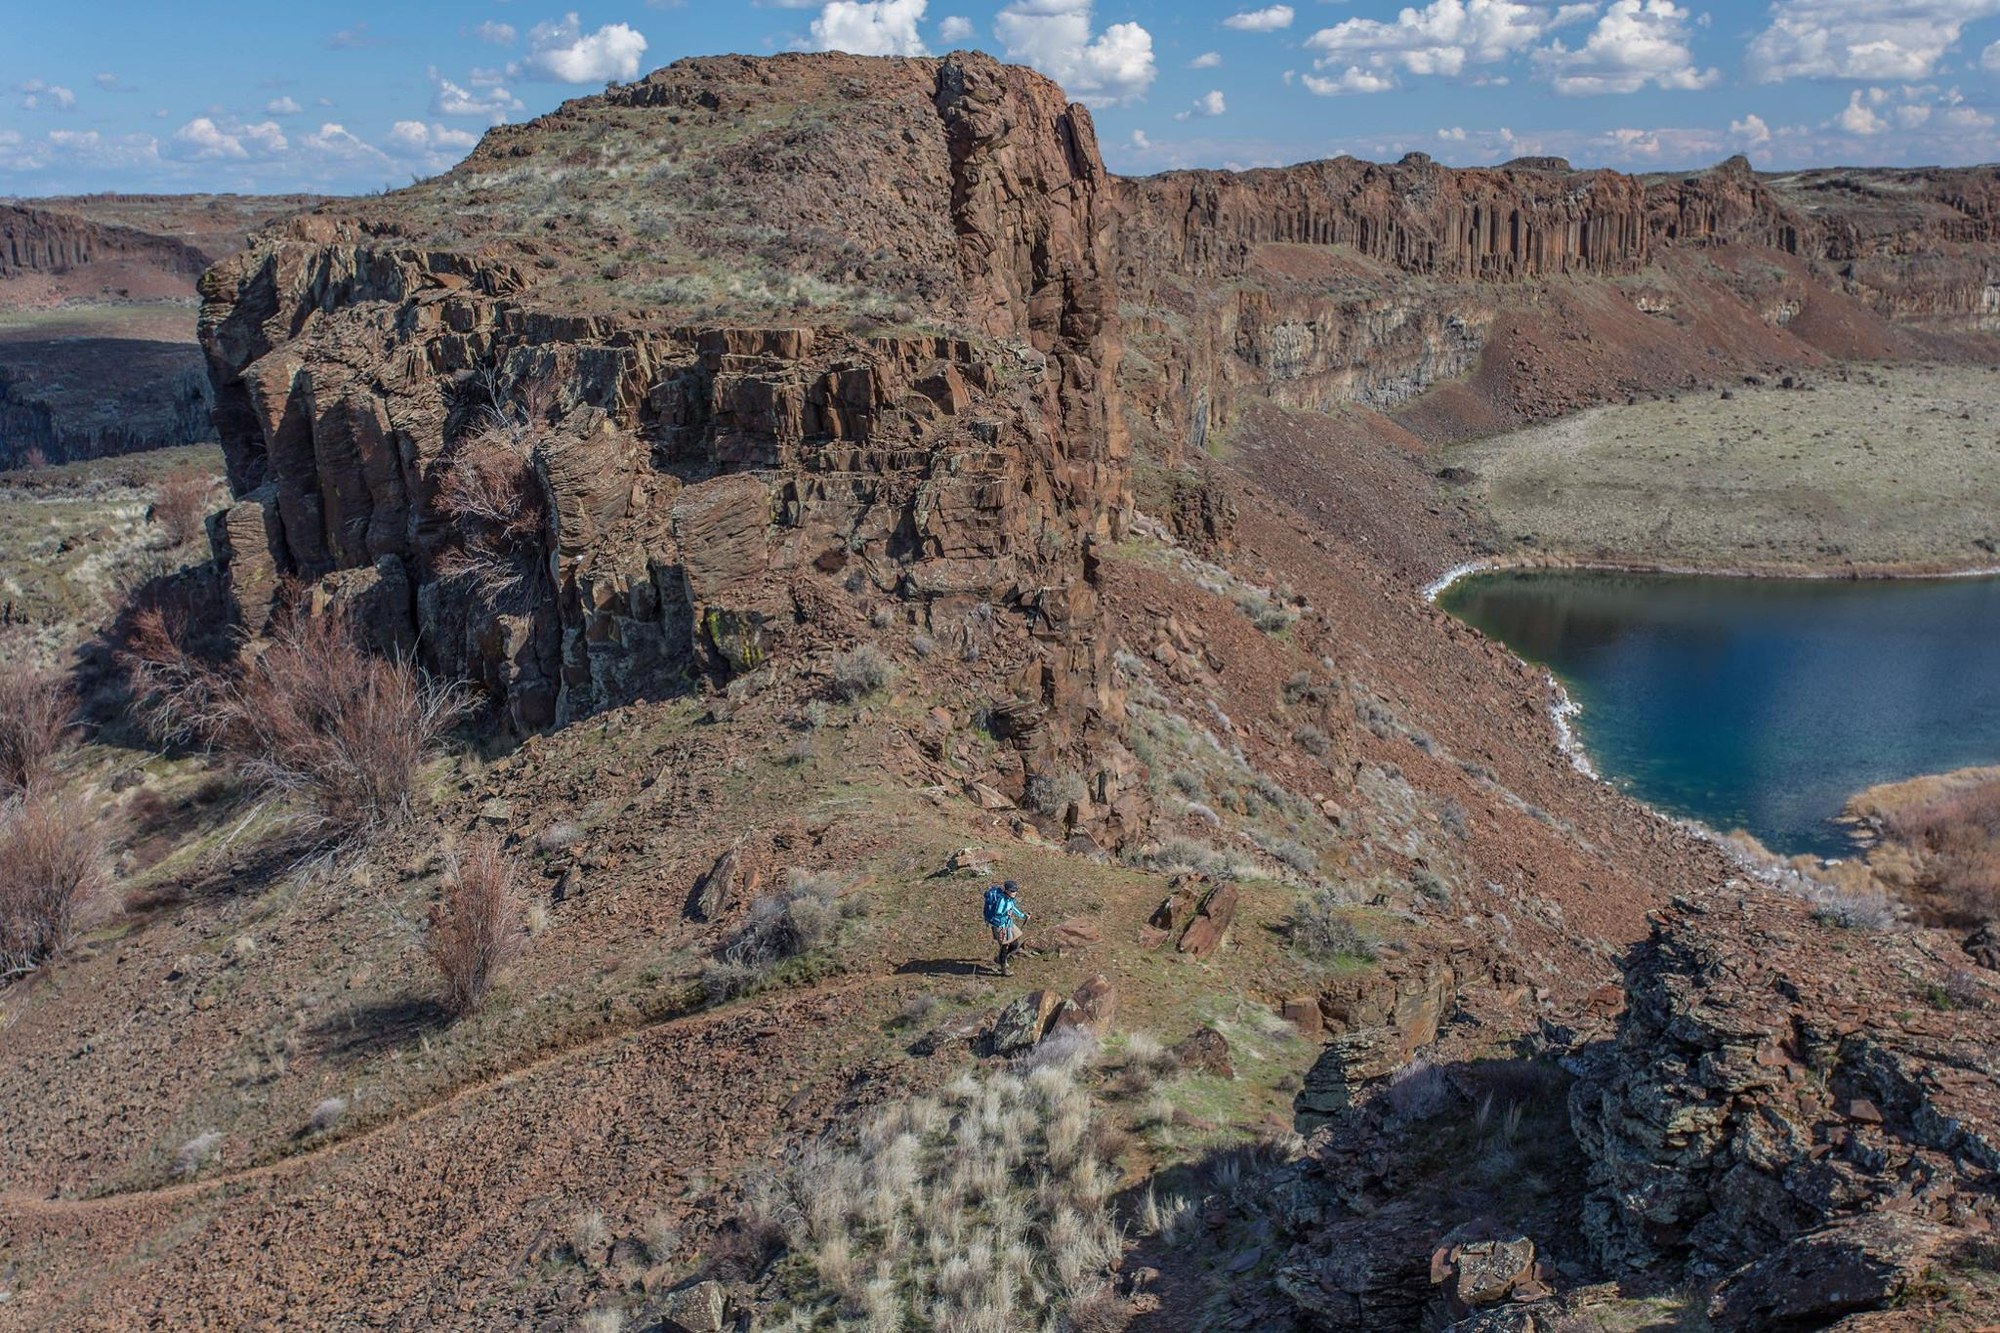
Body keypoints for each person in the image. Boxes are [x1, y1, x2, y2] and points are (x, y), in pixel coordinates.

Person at [983, 880, 1030, 976]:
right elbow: (998, 912)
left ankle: (999, 959)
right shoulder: (1002, 899)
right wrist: (1006, 913)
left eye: (1015, 891)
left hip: (1009, 924)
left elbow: (1013, 908)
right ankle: (1003, 969)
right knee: (1005, 947)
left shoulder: (1009, 899)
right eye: (1012, 891)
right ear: (1006, 891)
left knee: (1015, 944)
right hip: (1001, 927)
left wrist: (1023, 915)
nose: (1014, 893)